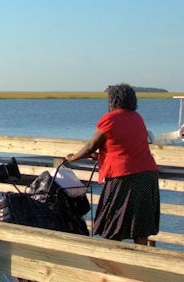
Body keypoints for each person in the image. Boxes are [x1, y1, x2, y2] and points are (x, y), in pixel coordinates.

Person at [66, 83, 160, 245]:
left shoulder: (109, 119)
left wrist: (73, 158)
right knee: (140, 226)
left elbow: (90, 146)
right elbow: (124, 147)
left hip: (124, 177)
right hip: (147, 174)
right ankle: (140, 265)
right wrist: (100, 157)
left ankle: (112, 265)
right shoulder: (137, 118)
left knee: (112, 225)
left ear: (112, 101)